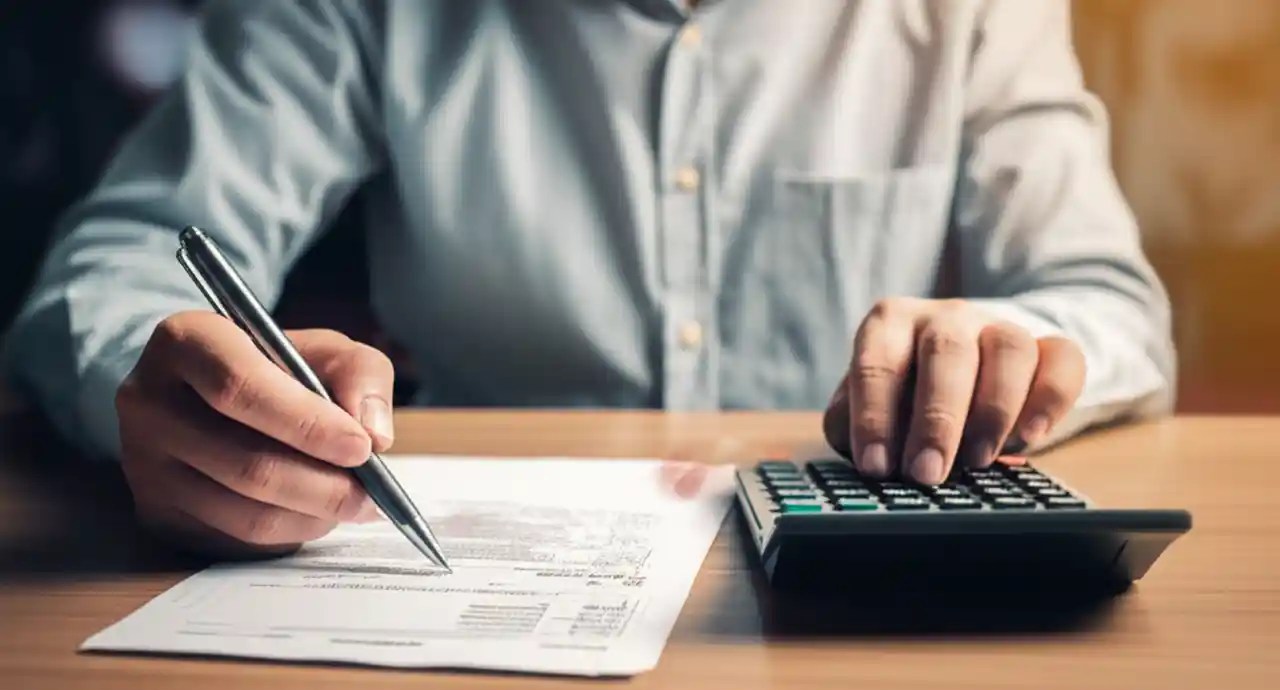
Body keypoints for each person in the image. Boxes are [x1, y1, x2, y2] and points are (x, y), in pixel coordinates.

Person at [5, 0, 1174, 556]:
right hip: (477, 607)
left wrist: (1007, 347)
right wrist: (155, 384)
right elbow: (114, 268)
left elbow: (1103, 299)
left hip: (839, 598)